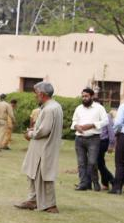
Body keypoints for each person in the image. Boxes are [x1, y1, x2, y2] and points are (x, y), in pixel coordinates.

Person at [15, 82, 64, 213]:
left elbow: (44, 130)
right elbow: (44, 127)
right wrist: (34, 129)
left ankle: (50, 205)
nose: (35, 96)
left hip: (44, 147)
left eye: (36, 94)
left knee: (44, 175)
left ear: (42, 94)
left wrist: (31, 133)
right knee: (33, 174)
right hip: (41, 146)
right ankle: (33, 200)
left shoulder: (49, 109)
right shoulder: (54, 106)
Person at [71, 87, 108, 191]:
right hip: (79, 138)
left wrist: (92, 125)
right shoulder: (79, 108)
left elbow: (105, 121)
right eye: (83, 96)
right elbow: (74, 121)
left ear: (92, 96)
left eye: (86, 96)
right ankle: (83, 184)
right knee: (81, 163)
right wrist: (76, 126)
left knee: (92, 162)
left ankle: (95, 182)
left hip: (93, 139)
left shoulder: (99, 108)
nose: (84, 98)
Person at [97, 107, 117, 190]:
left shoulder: (106, 116)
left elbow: (111, 131)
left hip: (103, 142)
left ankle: (112, 180)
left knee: (99, 163)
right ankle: (105, 183)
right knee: (100, 163)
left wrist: (111, 145)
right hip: (95, 142)